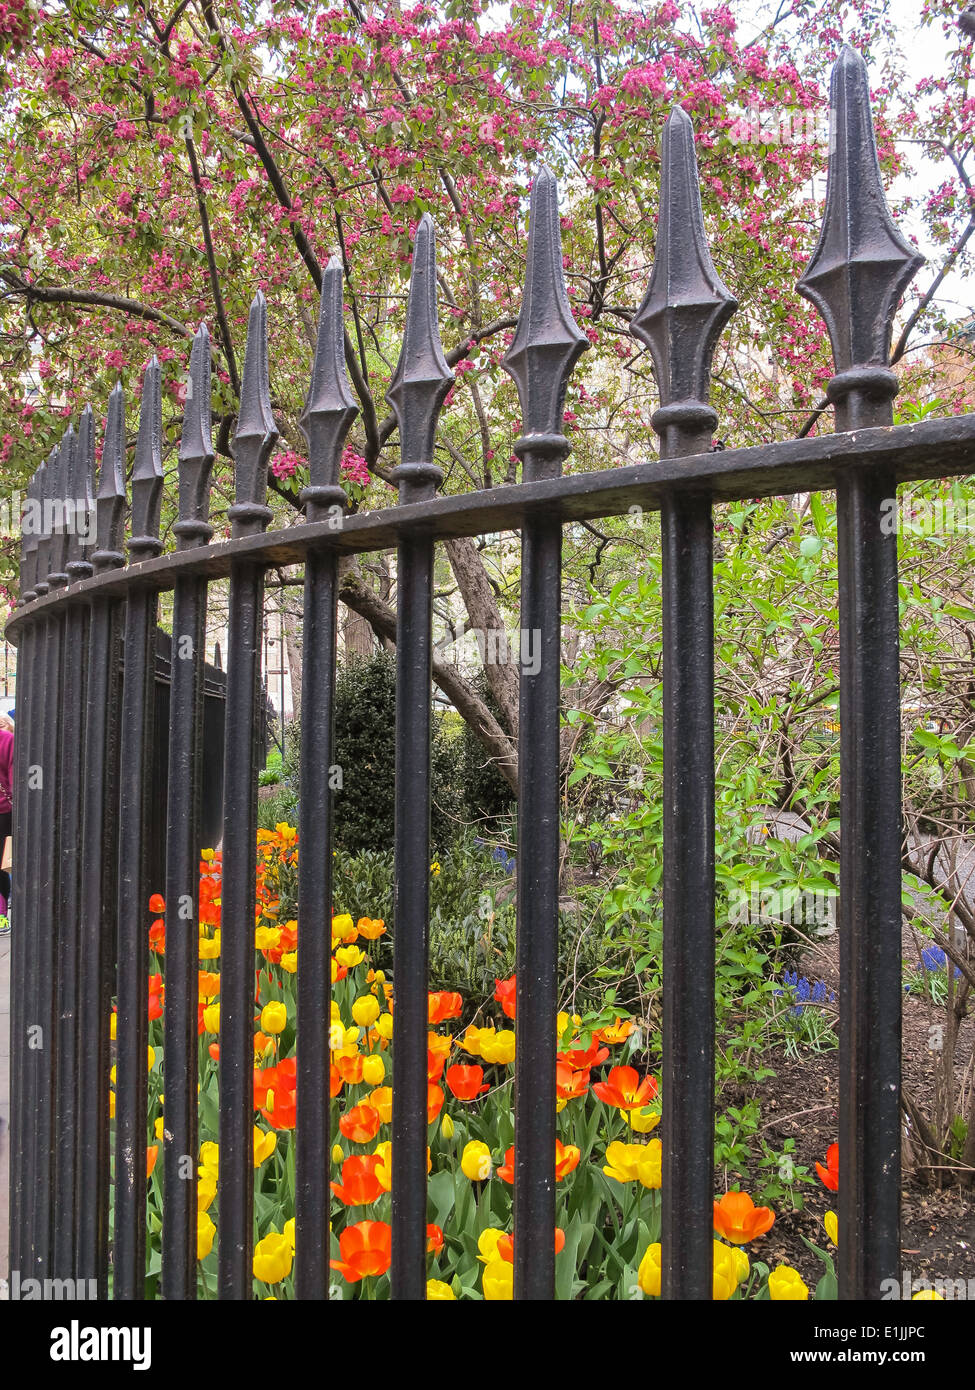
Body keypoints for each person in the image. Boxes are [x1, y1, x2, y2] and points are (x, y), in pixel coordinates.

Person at [0, 711, 13, 932]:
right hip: (5, 809)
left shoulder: (7, 739)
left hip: (3, 812)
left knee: (3, 865)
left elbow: (13, 776)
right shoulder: (7, 739)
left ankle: (2, 914)